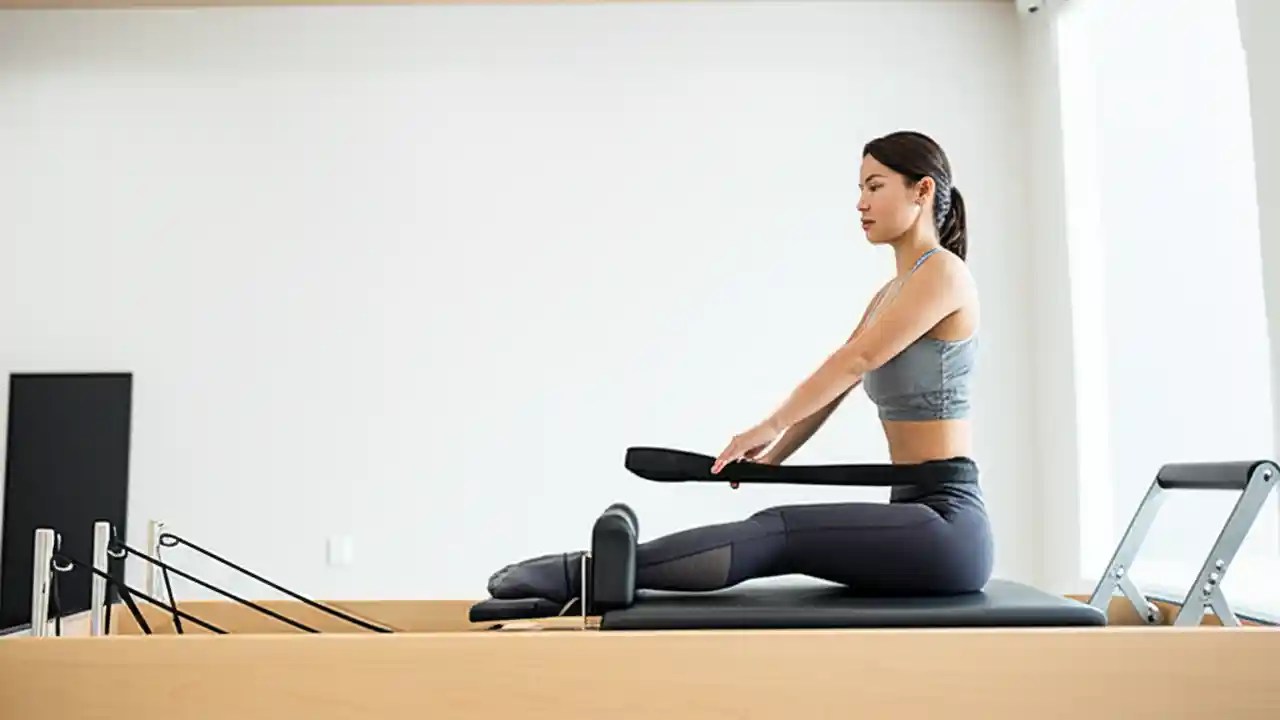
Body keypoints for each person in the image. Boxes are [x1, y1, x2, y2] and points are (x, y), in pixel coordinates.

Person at [487, 130, 993, 603]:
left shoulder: (944, 273)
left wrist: (768, 425)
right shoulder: (890, 295)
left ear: (921, 190)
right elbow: (840, 384)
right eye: (859, 187)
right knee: (776, 529)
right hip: (911, 515)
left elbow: (852, 361)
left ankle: (588, 574)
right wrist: (771, 459)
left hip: (946, 522)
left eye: (875, 186)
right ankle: (602, 571)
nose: (860, 202)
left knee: (777, 531)